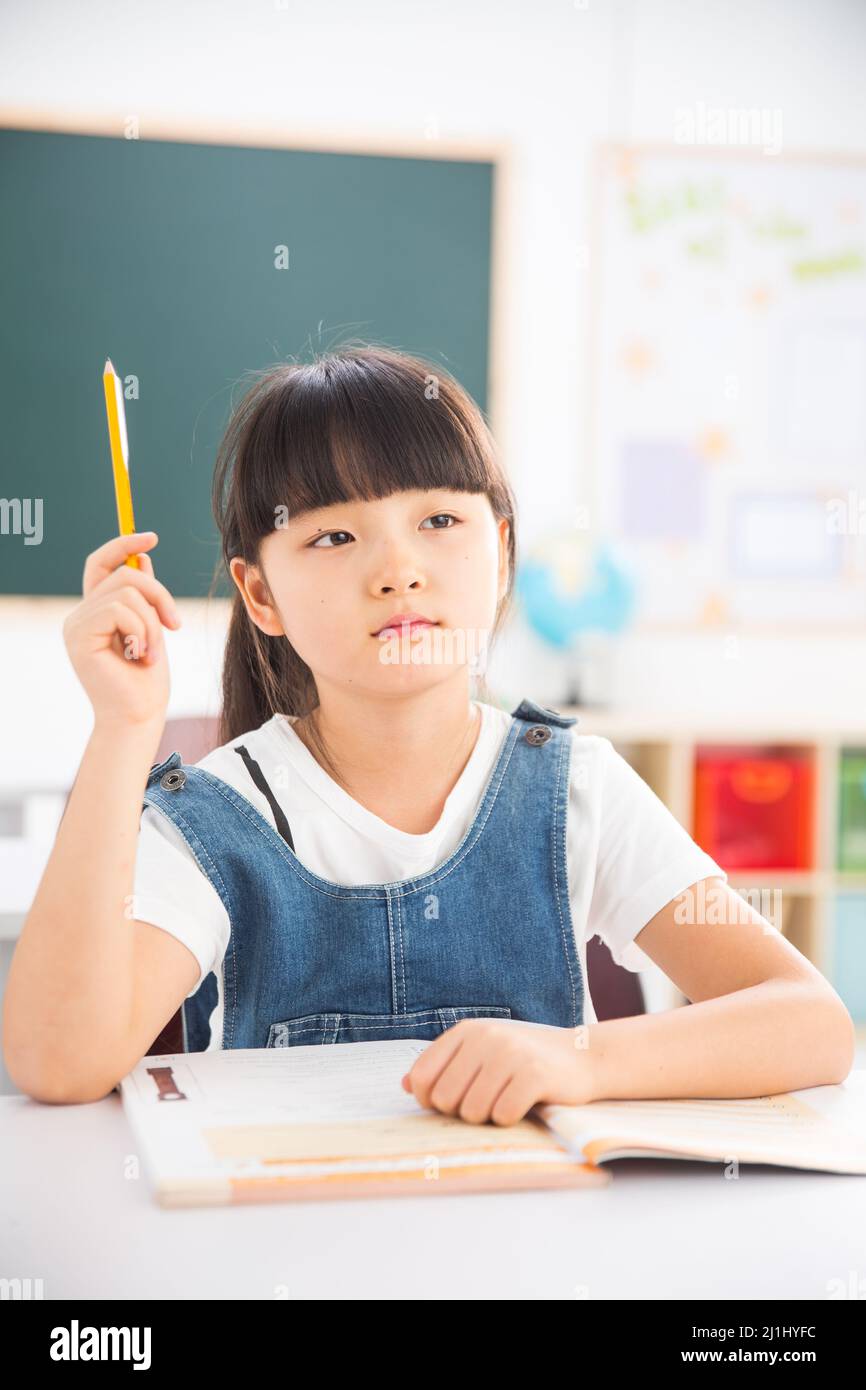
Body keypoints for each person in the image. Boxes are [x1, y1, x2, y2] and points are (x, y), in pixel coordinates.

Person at [5, 345, 855, 1120]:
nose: (397, 570)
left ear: (502, 552)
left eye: (440, 521)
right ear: (259, 596)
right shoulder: (219, 816)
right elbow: (56, 1061)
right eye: (334, 535)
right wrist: (122, 728)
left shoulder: (574, 785)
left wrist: (580, 1060)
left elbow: (810, 1024)